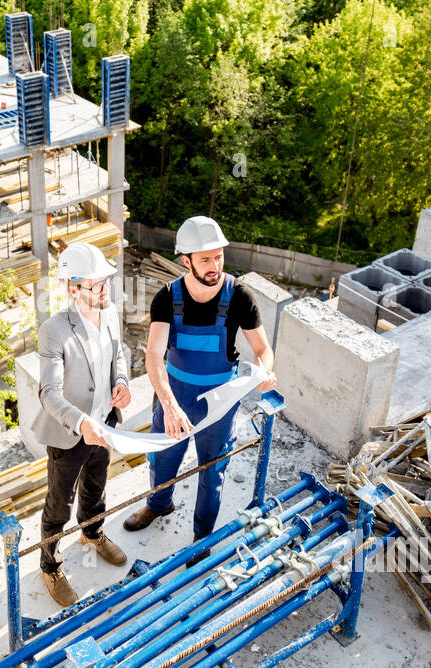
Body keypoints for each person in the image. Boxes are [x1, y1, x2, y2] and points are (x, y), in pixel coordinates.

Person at [124, 216, 277, 544]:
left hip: (221, 401)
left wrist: (264, 371)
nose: (214, 266)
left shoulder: (240, 297)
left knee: (212, 472)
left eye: (218, 256)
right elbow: (154, 357)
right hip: (175, 395)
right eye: (205, 259)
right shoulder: (167, 298)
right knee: (163, 459)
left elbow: (263, 349)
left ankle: (201, 537)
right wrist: (168, 405)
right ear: (186, 260)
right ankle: (157, 505)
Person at [31, 243, 132, 606]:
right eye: (96, 285)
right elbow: (49, 393)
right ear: (73, 288)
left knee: (97, 485)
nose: (104, 291)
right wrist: (81, 422)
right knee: (58, 503)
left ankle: (92, 532)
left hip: (104, 423)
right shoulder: (54, 330)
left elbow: (119, 353)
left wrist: (122, 382)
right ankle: (50, 564)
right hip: (69, 434)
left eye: (106, 282)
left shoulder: (111, 312)